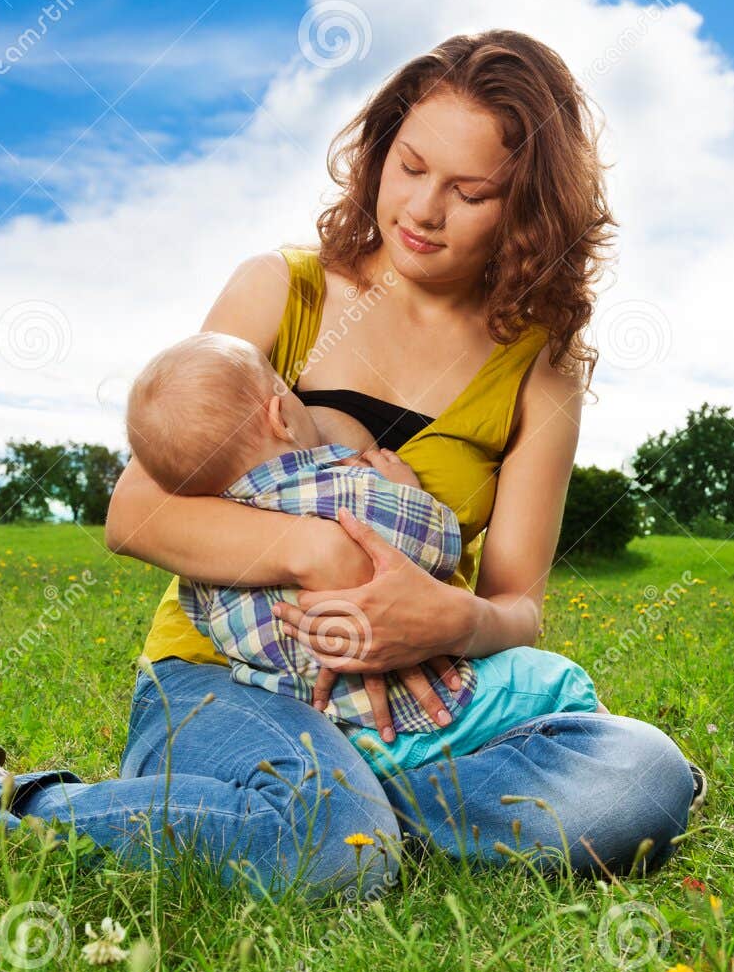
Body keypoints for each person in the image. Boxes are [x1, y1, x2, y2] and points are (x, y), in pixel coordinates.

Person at [0, 30, 699, 900]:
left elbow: (518, 604)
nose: (422, 207)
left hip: (424, 704)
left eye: (471, 191)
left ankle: (304, 817)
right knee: (335, 850)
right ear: (381, 150)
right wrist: (315, 554)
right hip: (222, 683)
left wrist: (450, 617)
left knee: (641, 776)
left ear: (527, 208)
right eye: (410, 166)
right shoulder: (282, 290)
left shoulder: (538, 366)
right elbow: (138, 514)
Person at [120, 329, 603, 779]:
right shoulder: (343, 489)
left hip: (306, 714)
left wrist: (455, 622)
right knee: (560, 683)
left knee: (324, 808)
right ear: (281, 416)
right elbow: (435, 550)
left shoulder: (206, 562)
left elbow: (208, 621)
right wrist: (407, 493)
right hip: (408, 718)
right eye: (285, 387)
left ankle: (367, 805)